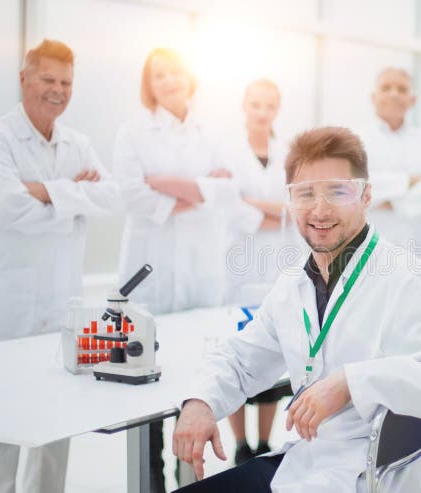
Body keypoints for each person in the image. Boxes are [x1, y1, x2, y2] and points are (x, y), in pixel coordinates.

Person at [171, 127, 421, 492]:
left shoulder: (406, 279)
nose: (320, 210)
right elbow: (242, 359)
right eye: (305, 194)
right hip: (305, 464)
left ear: (366, 195)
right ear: (290, 200)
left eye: (338, 191)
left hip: (370, 477)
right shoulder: (293, 286)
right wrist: (200, 400)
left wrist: (351, 382)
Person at [0, 39, 120, 493]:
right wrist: (70, 194)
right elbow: (6, 209)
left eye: (66, 82)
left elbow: (109, 198)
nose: (57, 90)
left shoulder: (78, 143)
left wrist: (41, 190)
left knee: (54, 431)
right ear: (24, 79)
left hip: (61, 309)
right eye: (48, 79)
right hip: (3, 313)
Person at [113, 47, 241, 493]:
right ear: (150, 85)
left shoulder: (214, 133)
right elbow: (131, 196)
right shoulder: (133, 133)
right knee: (143, 378)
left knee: (194, 377)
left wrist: (165, 184)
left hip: (201, 272)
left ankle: (189, 477)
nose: (169, 81)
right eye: (159, 75)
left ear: (190, 78)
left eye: (175, 72)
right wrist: (200, 192)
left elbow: (231, 191)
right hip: (150, 274)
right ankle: (148, 478)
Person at [221, 78, 297, 465]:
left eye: (270, 105)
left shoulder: (288, 153)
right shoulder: (230, 153)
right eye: (256, 104)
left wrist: (259, 207)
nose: (262, 111)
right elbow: (229, 204)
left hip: (276, 265)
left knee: (270, 350)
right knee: (238, 350)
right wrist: (272, 211)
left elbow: (294, 207)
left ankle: (264, 444)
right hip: (240, 265)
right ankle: (240, 444)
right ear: (245, 106)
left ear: (277, 109)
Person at [358, 67, 421, 261]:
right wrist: (409, 181)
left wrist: (387, 201)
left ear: (413, 99)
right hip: (370, 249)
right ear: (373, 97)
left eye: (402, 89)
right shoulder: (355, 140)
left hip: (419, 250)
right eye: (386, 87)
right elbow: (355, 187)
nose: (394, 94)